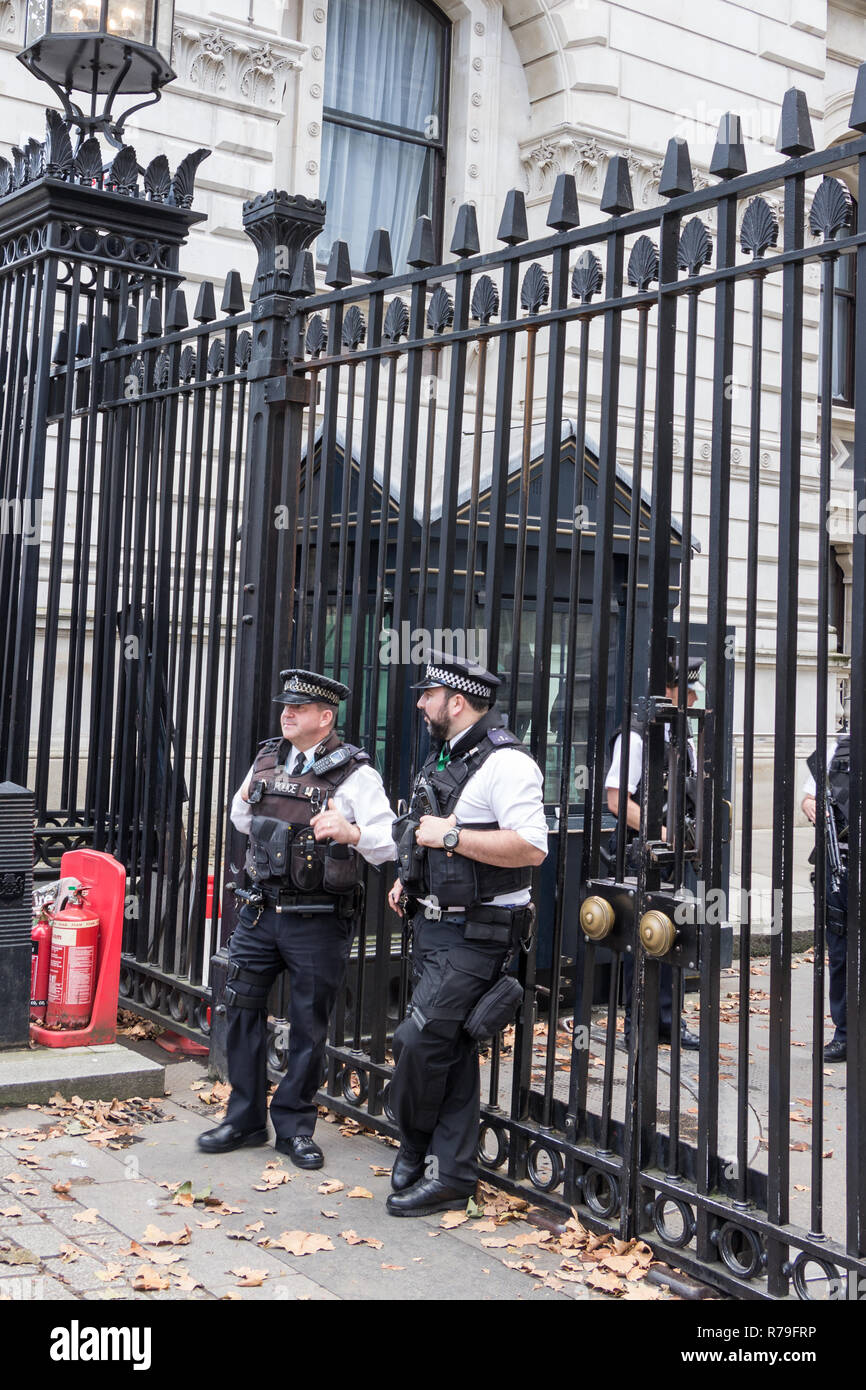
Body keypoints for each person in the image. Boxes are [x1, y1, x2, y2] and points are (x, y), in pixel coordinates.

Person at [198, 668, 395, 1168]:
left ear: (325, 718)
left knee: (308, 1024)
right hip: (260, 910)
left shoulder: (355, 773)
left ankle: (294, 1127)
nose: (287, 714)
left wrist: (350, 832)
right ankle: (243, 1118)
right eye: (285, 707)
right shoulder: (267, 757)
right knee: (239, 1008)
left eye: (299, 709)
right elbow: (240, 817)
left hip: (318, 919)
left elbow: (389, 841)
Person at [385, 654, 548, 1217]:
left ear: (456, 702)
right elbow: (422, 831)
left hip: (479, 935)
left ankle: (413, 1143)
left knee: (417, 1041)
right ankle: (451, 1174)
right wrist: (411, 880)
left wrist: (450, 837)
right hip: (434, 926)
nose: (420, 704)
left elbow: (531, 846)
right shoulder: (447, 756)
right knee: (449, 1050)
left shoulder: (507, 764)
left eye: (428, 695)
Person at [604, 656, 702, 1050]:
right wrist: (663, 832)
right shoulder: (636, 736)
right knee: (641, 939)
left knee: (674, 934)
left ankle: (667, 1019)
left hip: (676, 855)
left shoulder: (684, 736)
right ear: (669, 691)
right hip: (640, 852)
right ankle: (637, 1024)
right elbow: (616, 801)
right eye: (689, 688)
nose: (695, 696)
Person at [801, 733, 849, 1063]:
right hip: (840, 868)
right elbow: (807, 798)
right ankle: (845, 1034)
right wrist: (818, 811)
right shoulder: (837, 749)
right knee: (842, 952)